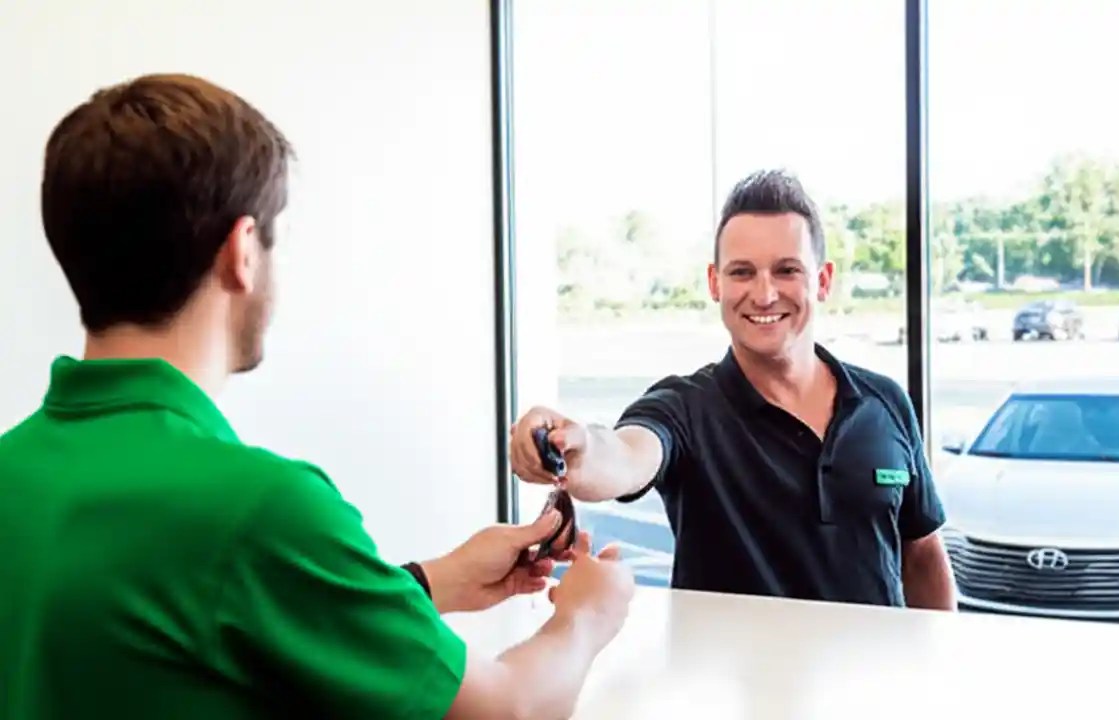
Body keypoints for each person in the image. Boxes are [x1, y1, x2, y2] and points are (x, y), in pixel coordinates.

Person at [0, 73, 633, 720]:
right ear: (243, 251)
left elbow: (177, 621)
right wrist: (587, 614)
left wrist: (433, 580)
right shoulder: (254, 508)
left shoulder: (16, 471)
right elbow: (507, 711)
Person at [510, 169, 956, 610]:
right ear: (715, 283)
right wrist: (579, 449)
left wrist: (943, 652)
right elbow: (626, 455)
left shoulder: (885, 402)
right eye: (742, 272)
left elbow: (922, 555)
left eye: (786, 270)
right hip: (725, 663)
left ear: (822, 281)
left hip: (876, 661)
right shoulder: (684, 409)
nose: (764, 295)